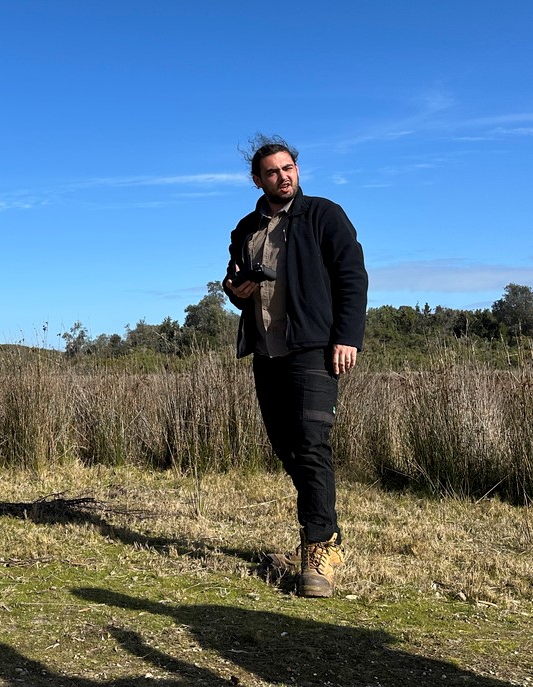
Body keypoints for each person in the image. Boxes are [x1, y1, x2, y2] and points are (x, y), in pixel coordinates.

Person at [223, 134, 368, 598]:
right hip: (267, 351)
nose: (282, 177)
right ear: (257, 180)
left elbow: (352, 275)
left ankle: (318, 551)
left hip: (314, 347)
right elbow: (233, 276)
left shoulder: (323, 214)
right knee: (286, 446)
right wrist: (235, 289)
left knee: (310, 443)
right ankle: (328, 532)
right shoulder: (246, 227)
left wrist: (347, 336)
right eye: (272, 172)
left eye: (288, 168)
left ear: (297, 171)